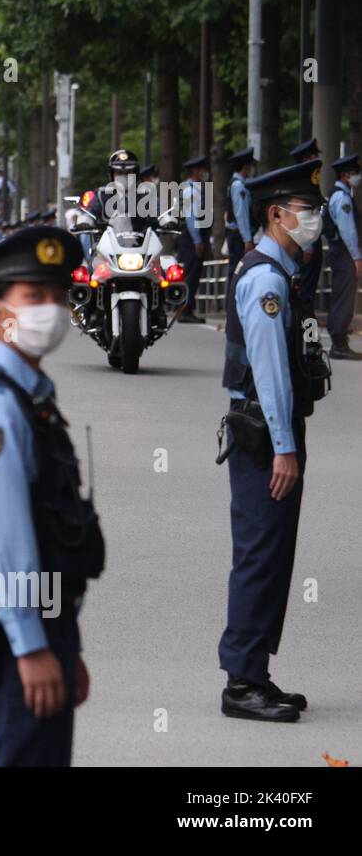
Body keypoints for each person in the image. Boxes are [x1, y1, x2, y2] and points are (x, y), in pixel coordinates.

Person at [0, 226, 105, 766]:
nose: (50, 312)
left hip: (42, 627)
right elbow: (5, 541)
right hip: (14, 639)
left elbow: (48, 533)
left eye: (58, 297)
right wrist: (33, 647)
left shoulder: (29, 396)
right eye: (33, 298)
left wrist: (64, 646)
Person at [217, 158, 331, 723]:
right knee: (260, 556)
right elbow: (269, 374)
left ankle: (256, 673)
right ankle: (241, 682)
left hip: (270, 432)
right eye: (307, 211)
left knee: (272, 554)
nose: (315, 219)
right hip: (264, 436)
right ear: (276, 214)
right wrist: (285, 447)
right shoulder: (265, 279)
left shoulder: (280, 270)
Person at [324, 153, 362, 360]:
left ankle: (340, 341)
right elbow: (348, 231)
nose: (358, 176)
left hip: (340, 253)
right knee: (344, 298)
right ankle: (338, 343)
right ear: (346, 175)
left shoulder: (340, 195)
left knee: (343, 296)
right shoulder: (342, 198)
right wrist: (357, 257)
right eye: (355, 172)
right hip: (344, 253)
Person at [289, 139, 324, 318]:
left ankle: (304, 337)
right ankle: (309, 340)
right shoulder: (303, 186)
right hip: (306, 243)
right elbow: (301, 216)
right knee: (305, 294)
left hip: (307, 242)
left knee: (305, 293)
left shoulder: (306, 184)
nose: (317, 159)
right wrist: (307, 245)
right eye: (314, 156)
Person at [177, 155, 210, 323]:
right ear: (197, 171)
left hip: (192, 238)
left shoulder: (195, 189)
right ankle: (185, 309)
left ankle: (187, 308)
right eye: (203, 170)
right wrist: (197, 240)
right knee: (191, 275)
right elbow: (192, 218)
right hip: (191, 239)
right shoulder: (191, 190)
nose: (205, 173)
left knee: (193, 274)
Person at [80, 149, 139, 236]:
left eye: (128, 173)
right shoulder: (102, 195)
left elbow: (157, 210)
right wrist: (84, 221)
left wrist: (164, 220)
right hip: (108, 245)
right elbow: (91, 212)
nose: (124, 177)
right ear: (112, 175)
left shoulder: (145, 195)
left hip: (141, 244)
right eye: (119, 173)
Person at [225, 147, 257, 288]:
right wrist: (247, 239)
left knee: (238, 271)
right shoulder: (239, 186)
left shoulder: (235, 183)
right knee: (238, 272)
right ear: (245, 166)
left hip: (237, 234)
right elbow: (241, 214)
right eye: (250, 165)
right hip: (239, 235)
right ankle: (232, 307)